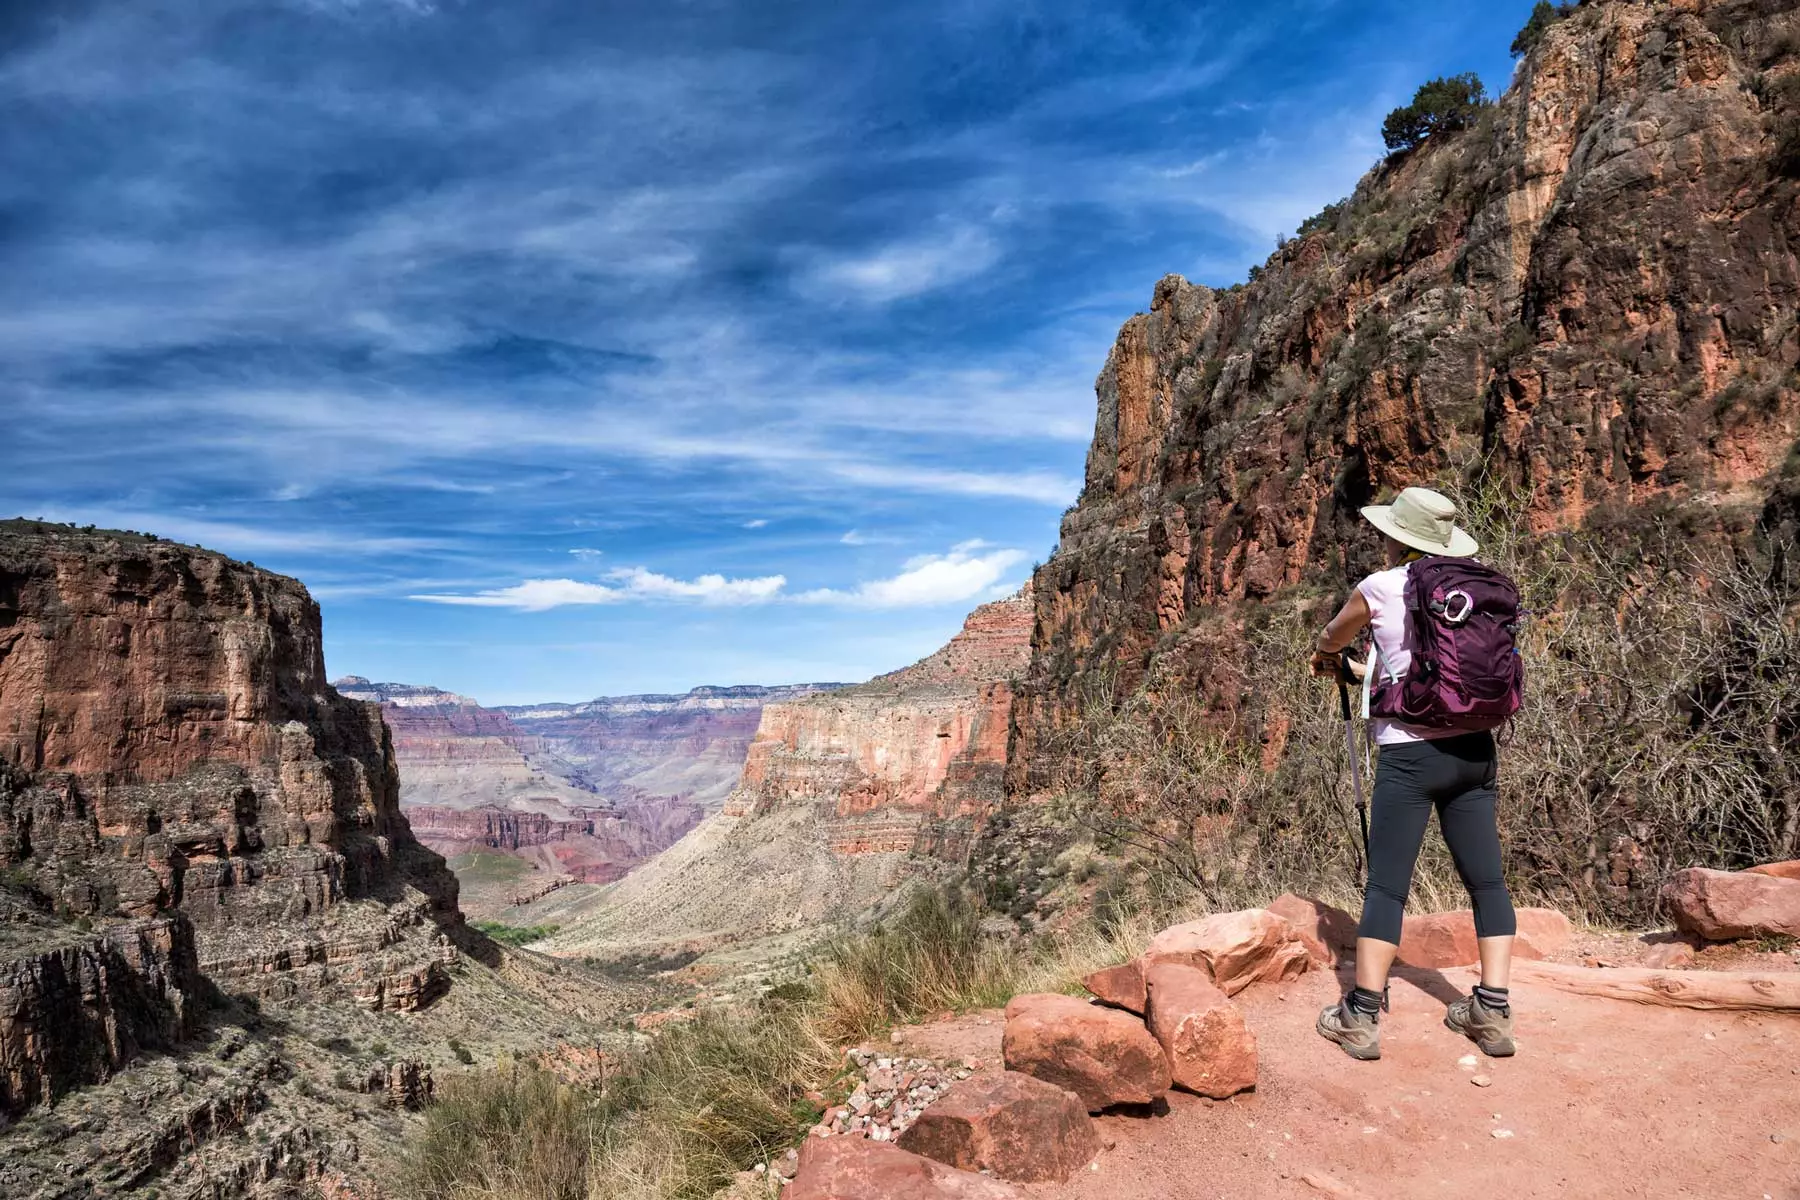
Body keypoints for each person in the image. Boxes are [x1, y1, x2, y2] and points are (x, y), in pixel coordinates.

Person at [1308, 487, 1517, 1061]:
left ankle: (1361, 1014)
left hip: (1410, 755)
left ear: (1397, 535)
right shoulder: (1476, 585)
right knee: (1488, 882)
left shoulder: (1381, 586)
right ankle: (1492, 1010)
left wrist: (1327, 654)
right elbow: (1405, 661)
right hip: (1474, 748)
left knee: (1386, 885)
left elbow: (1334, 637)